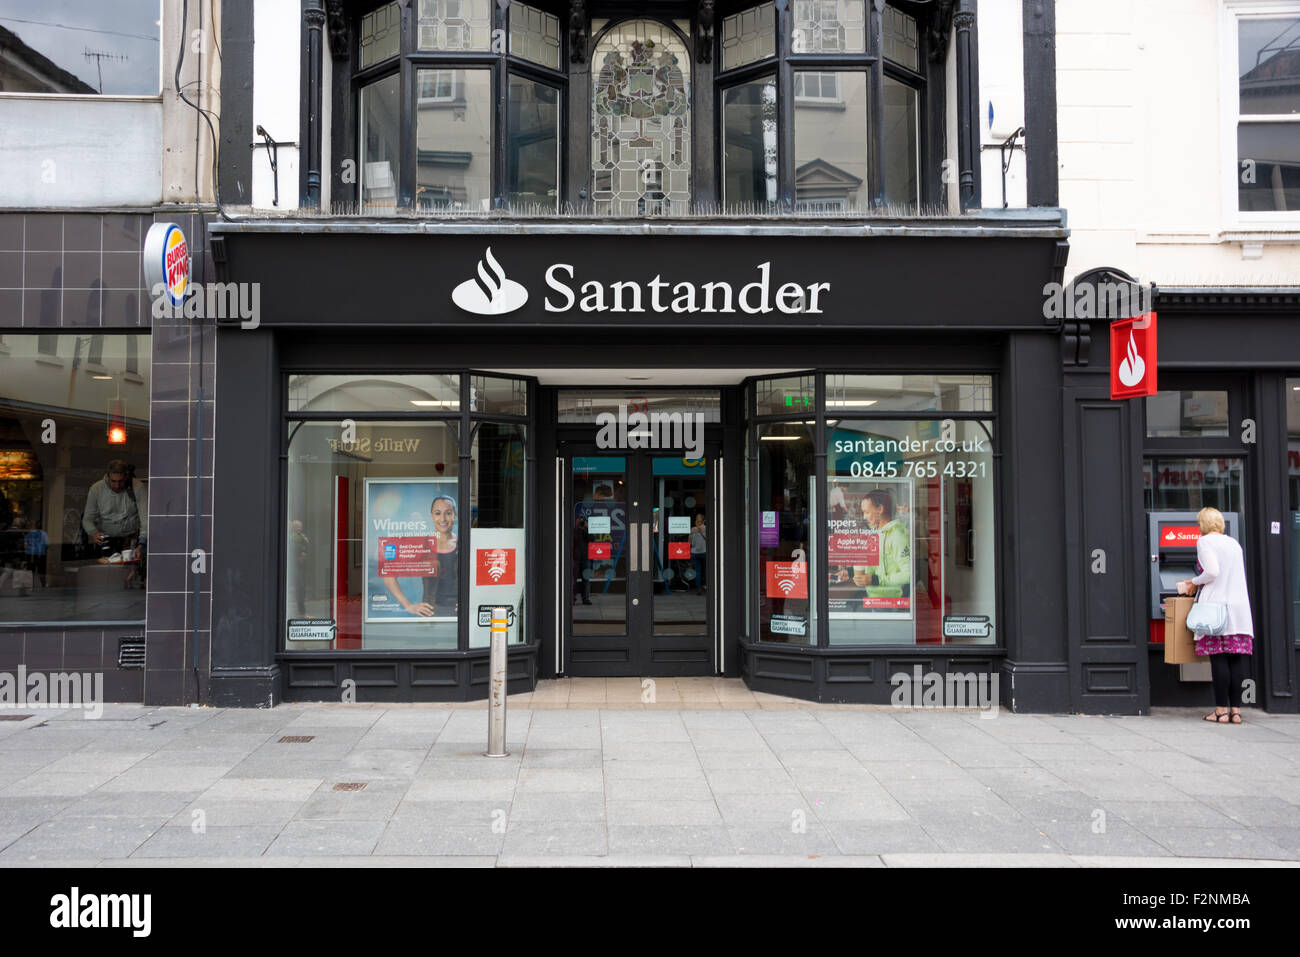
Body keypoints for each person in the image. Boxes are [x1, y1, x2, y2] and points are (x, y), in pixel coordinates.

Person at [1177, 506, 1253, 724]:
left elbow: (1212, 572)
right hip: (1238, 609)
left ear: (1202, 523)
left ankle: (1220, 711)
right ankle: (1236, 711)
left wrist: (1193, 582)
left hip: (1216, 609)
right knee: (1235, 659)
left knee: (1218, 659)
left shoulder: (1205, 542)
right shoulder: (1233, 543)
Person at [382, 495, 458, 617]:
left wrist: (468, 602)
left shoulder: (464, 544)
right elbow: (389, 577)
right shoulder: (422, 545)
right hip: (430, 616)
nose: (443, 518)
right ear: (431, 516)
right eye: (437, 513)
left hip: (460, 618)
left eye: (448, 513)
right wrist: (408, 605)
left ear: (455, 515)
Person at [82, 459, 147, 580]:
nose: (117, 485)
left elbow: (145, 518)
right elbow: (87, 519)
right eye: (113, 481)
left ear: (126, 476)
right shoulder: (96, 489)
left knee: (129, 576)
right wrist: (93, 533)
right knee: (105, 577)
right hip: (106, 540)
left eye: (121, 481)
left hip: (130, 539)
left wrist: (141, 543)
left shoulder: (137, 487)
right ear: (107, 476)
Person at [852, 490, 910, 593]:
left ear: (880, 509)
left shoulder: (896, 536)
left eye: (867, 512)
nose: (864, 517)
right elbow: (875, 566)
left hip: (890, 602)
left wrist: (876, 580)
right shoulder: (876, 533)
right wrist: (848, 573)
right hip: (875, 599)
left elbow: (908, 574)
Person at [23, 519, 48, 588]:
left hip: (30, 554)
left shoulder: (29, 533)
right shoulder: (44, 533)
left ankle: (30, 586)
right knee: (41, 571)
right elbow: (46, 545)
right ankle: (43, 585)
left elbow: (25, 544)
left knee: (31, 570)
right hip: (40, 554)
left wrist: (27, 549)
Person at [573, 516, 591, 604]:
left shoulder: (586, 530)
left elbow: (592, 539)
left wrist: (586, 528)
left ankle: (586, 598)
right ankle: (572, 598)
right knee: (573, 579)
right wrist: (577, 528)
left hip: (585, 557)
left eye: (582, 521)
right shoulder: (573, 530)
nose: (580, 523)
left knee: (586, 579)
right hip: (575, 558)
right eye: (579, 521)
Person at [689, 513, 707, 594]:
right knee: (707, 570)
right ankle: (707, 585)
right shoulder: (706, 528)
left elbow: (689, 542)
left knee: (697, 571)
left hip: (695, 553)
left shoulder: (693, 529)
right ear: (704, 520)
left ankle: (699, 588)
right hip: (705, 552)